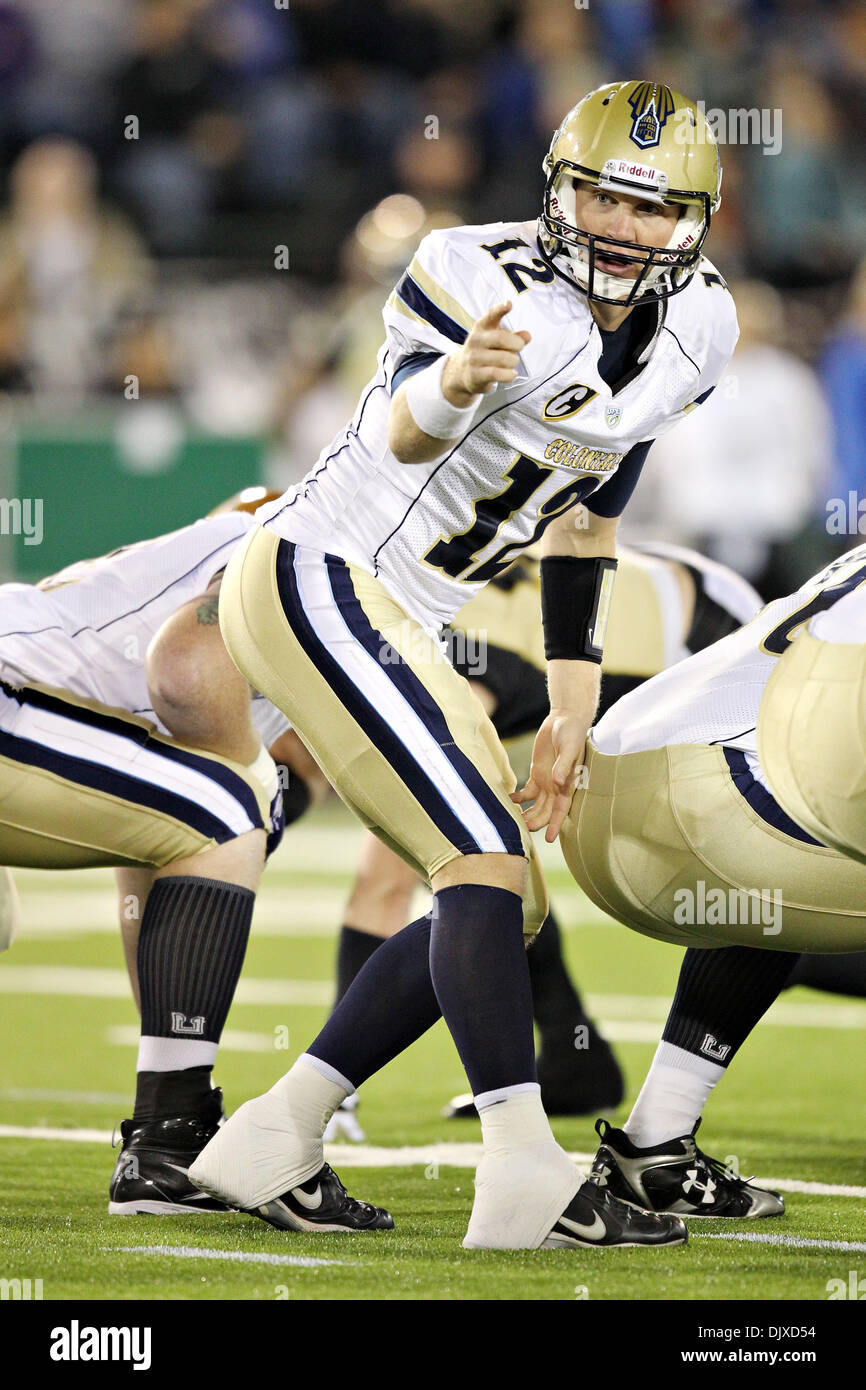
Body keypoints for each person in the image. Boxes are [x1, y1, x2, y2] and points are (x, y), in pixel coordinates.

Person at [191, 79, 737, 1252]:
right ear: (556, 190)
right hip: (316, 573)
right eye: (598, 195)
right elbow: (395, 425)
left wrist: (574, 688)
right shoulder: (470, 271)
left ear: (695, 222)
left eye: (652, 209)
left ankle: (275, 1131)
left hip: (408, 610)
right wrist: (451, 384)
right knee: (480, 858)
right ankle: (521, 1166)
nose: (620, 228)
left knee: (504, 898)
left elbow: (593, 500)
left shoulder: (701, 326)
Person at [0, 495, 334, 1218]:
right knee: (227, 807)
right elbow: (187, 676)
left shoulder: (194, 567)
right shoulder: (291, 552)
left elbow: (147, 851)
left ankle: (165, 1125)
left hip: (23, 691)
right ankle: (170, 1139)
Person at [555, 546, 866, 1215]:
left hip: (610, 791)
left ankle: (654, 1147)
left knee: (771, 888)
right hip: (707, 806)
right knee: (788, 849)